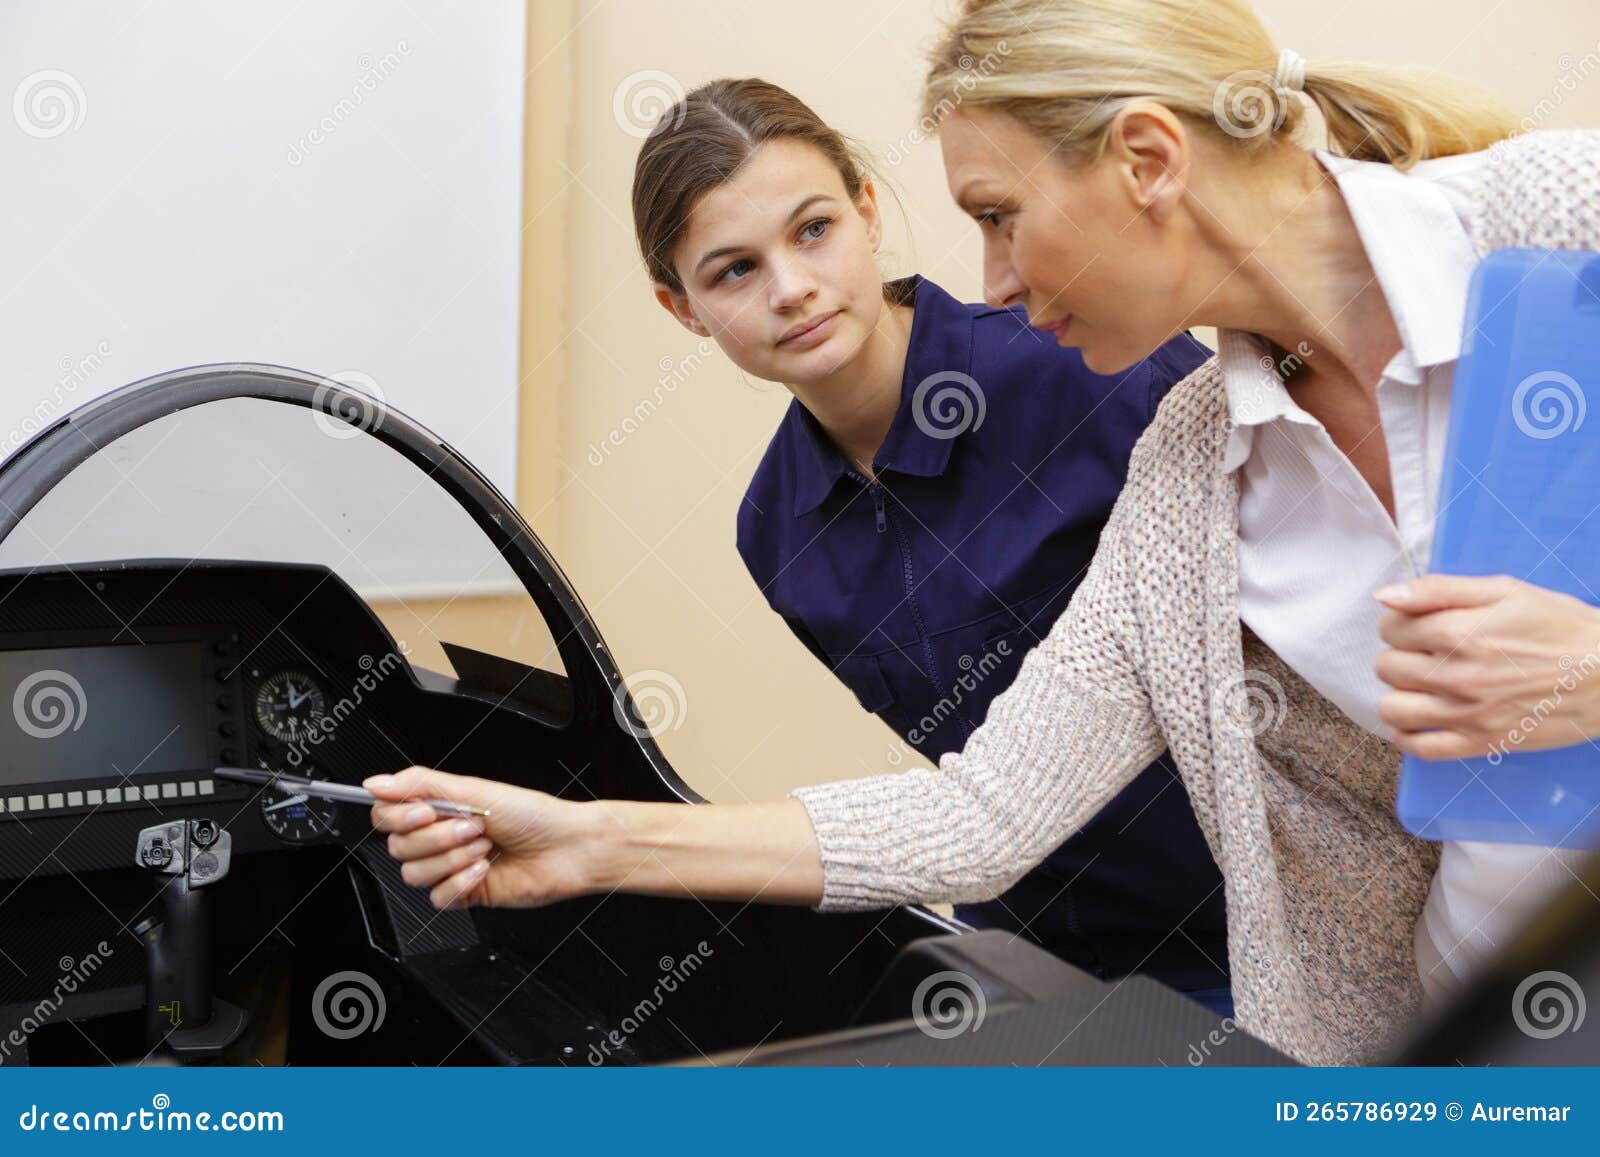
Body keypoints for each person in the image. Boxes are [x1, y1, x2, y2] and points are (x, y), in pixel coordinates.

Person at [370, 0, 1600, 1065]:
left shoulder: (1556, 216)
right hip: (1473, 1047)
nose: (993, 280)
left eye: (1000, 214)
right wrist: (593, 839)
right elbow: (988, 812)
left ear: (1147, 159)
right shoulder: (1190, 468)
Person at [631, 77, 1228, 1013]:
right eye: (733, 270)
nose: (792, 288)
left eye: (813, 229)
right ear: (684, 310)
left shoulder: (1098, 365)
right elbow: (961, 784)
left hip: (1245, 936)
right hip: (1026, 952)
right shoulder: (774, 531)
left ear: (868, 214)